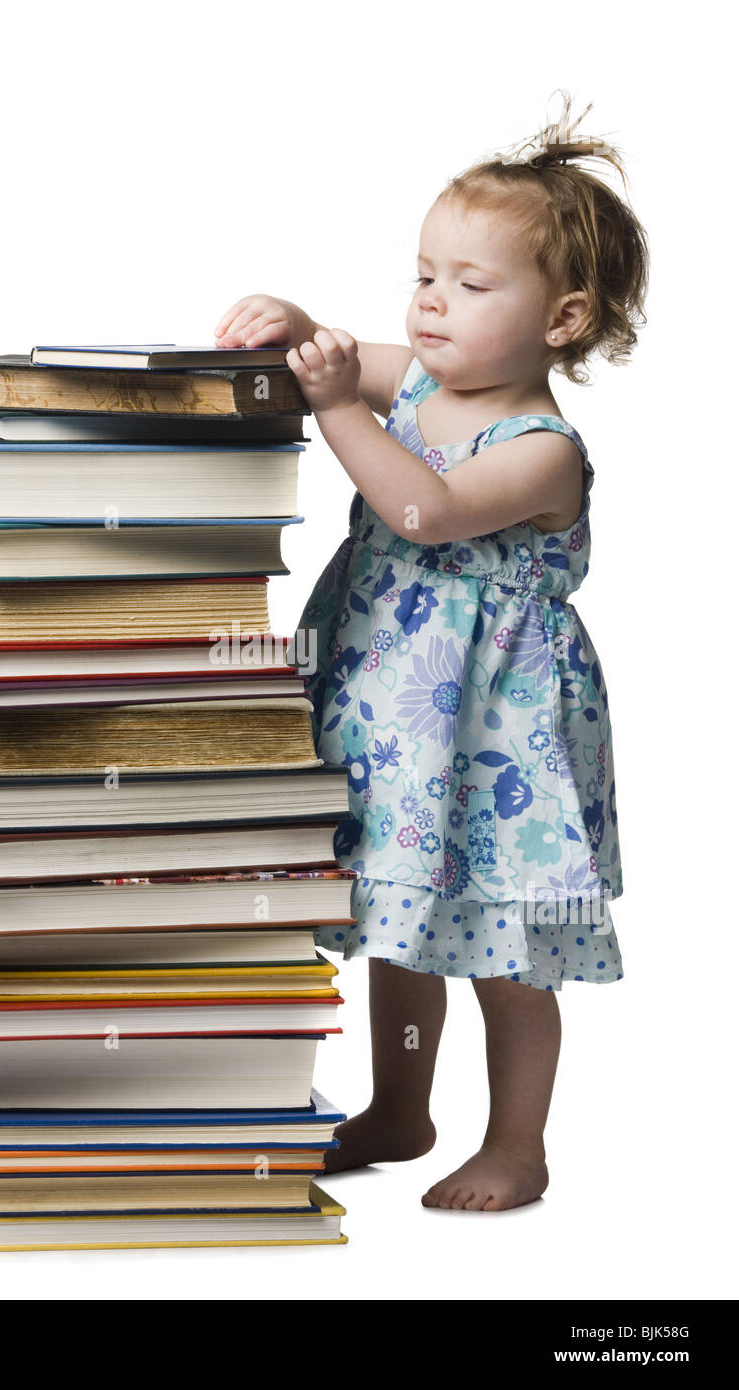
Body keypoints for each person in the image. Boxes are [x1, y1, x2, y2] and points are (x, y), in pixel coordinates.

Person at [213, 92, 649, 1212]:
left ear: (561, 320)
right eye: (423, 273)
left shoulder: (541, 450)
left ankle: (517, 1141)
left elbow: (424, 512)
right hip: (394, 717)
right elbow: (340, 361)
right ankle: (401, 1107)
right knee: (399, 918)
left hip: (499, 737)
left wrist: (331, 410)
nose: (430, 300)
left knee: (505, 941)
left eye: (469, 283)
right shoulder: (413, 380)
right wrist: (298, 326)